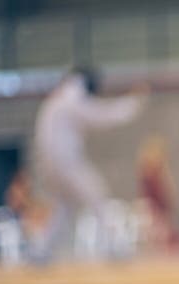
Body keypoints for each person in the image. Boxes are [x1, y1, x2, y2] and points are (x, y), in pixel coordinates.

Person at [33, 66, 147, 260]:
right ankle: (117, 248)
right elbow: (103, 115)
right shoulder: (72, 97)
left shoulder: (56, 99)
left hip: (50, 165)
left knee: (64, 208)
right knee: (98, 199)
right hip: (66, 163)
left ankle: (41, 252)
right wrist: (133, 101)